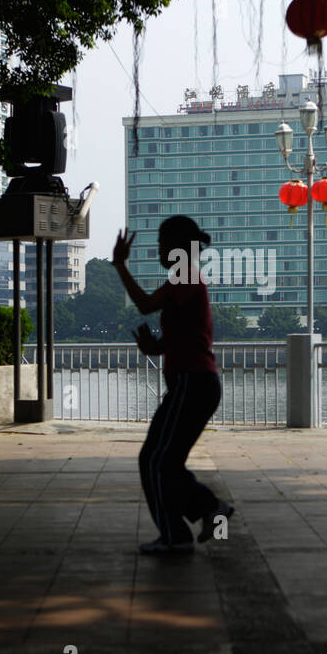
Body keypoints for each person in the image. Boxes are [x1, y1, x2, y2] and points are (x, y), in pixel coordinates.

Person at [112, 216, 234, 555]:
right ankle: (210, 513)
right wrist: (157, 348)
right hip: (194, 382)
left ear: (178, 247)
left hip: (191, 383)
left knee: (155, 461)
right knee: (163, 461)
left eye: (163, 243)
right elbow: (185, 335)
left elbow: (145, 305)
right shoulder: (186, 278)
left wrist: (120, 265)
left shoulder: (184, 276)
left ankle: (180, 533)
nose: (158, 249)